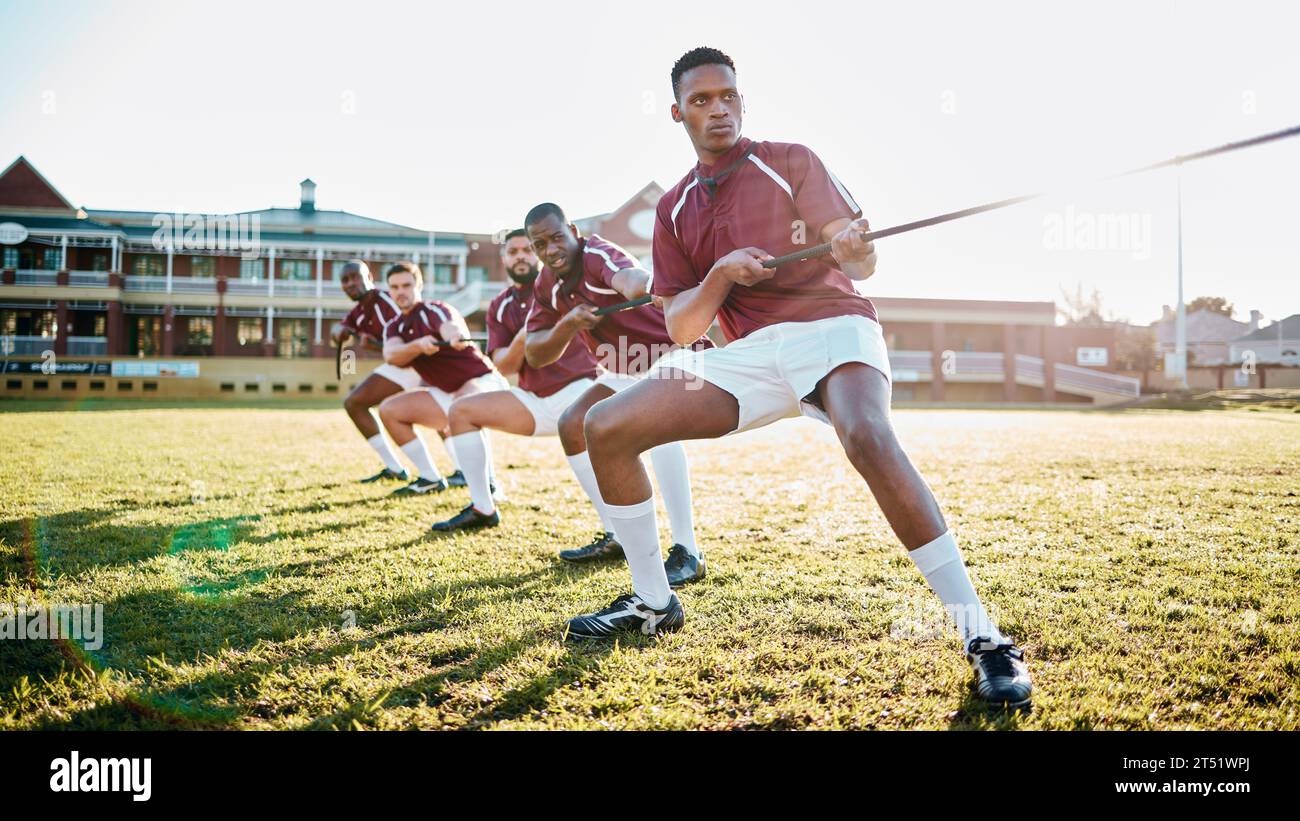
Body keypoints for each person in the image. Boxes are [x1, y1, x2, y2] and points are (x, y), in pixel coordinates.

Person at [563, 47, 1031, 710]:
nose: (717, 108)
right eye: (701, 100)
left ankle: (983, 638)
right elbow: (682, 327)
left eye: (727, 95)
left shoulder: (790, 160)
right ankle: (653, 603)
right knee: (605, 426)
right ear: (677, 113)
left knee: (866, 434)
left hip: (831, 324)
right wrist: (722, 272)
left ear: (742, 101)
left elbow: (859, 259)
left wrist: (855, 247)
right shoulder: (672, 210)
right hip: (744, 353)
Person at [521, 203, 712, 586]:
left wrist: (648, 286)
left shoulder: (594, 254)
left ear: (572, 231)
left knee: (656, 425)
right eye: (540, 244)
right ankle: (617, 536)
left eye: (557, 237)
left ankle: (688, 551)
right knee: (572, 424)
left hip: (671, 351)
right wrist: (568, 324)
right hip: (625, 366)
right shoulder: (547, 284)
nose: (551, 249)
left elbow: (628, 277)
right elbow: (535, 352)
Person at [430, 230, 607, 535]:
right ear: (504, 259)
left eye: (527, 249)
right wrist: (525, 336)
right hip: (533, 400)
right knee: (461, 412)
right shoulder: (500, 305)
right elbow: (503, 366)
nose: (521, 256)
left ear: (539, 254)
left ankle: (614, 531)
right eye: (513, 251)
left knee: (600, 447)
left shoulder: (565, 288)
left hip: (580, 390)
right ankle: (483, 507)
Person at [374, 262, 508, 495]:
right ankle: (430, 478)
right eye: (395, 287)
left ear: (419, 285)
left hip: (482, 381)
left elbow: (451, 327)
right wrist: (418, 346)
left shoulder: (434, 309)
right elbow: (391, 355)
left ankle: (490, 484)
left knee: (463, 404)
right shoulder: (394, 327)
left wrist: (455, 336)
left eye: (407, 285)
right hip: (446, 392)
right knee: (389, 410)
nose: (401, 291)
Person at [332, 260, 465, 485]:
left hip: (418, 361)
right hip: (401, 364)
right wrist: (340, 331)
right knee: (356, 403)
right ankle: (399, 468)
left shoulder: (389, 300)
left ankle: (454, 472)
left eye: (355, 277)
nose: (351, 283)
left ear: (370, 278)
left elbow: (407, 334)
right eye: (345, 280)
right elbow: (338, 330)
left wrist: (376, 346)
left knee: (439, 411)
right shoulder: (358, 313)